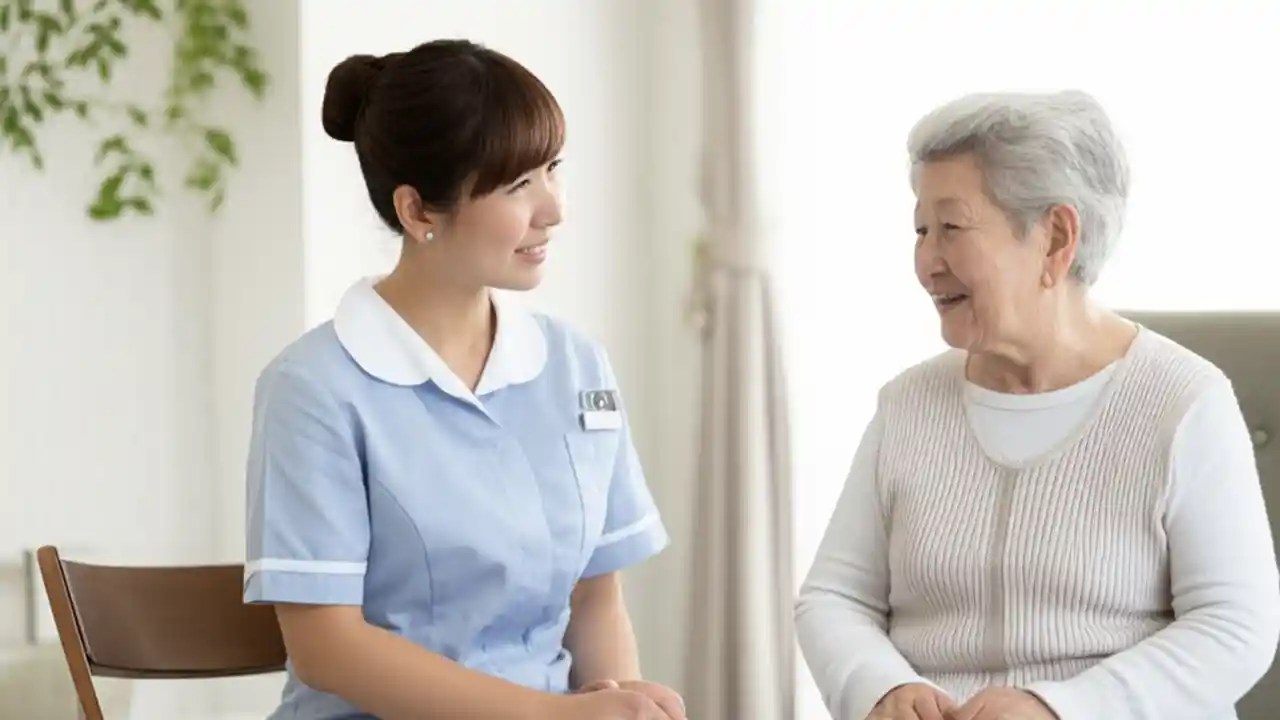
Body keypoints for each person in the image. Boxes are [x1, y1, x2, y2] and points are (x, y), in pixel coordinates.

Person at [795, 90, 1280, 720]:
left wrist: (1059, 708)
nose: (926, 261)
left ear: (1055, 237)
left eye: (952, 228)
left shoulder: (1184, 401)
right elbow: (834, 597)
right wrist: (880, 685)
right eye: (920, 229)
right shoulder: (907, 406)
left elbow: (1235, 627)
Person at [243, 39, 683, 720]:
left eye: (551, 169)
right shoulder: (313, 390)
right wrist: (553, 716)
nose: (554, 208)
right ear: (419, 211)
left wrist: (617, 702)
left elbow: (595, 598)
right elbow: (325, 648)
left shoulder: (575, 366)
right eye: (517, 186)